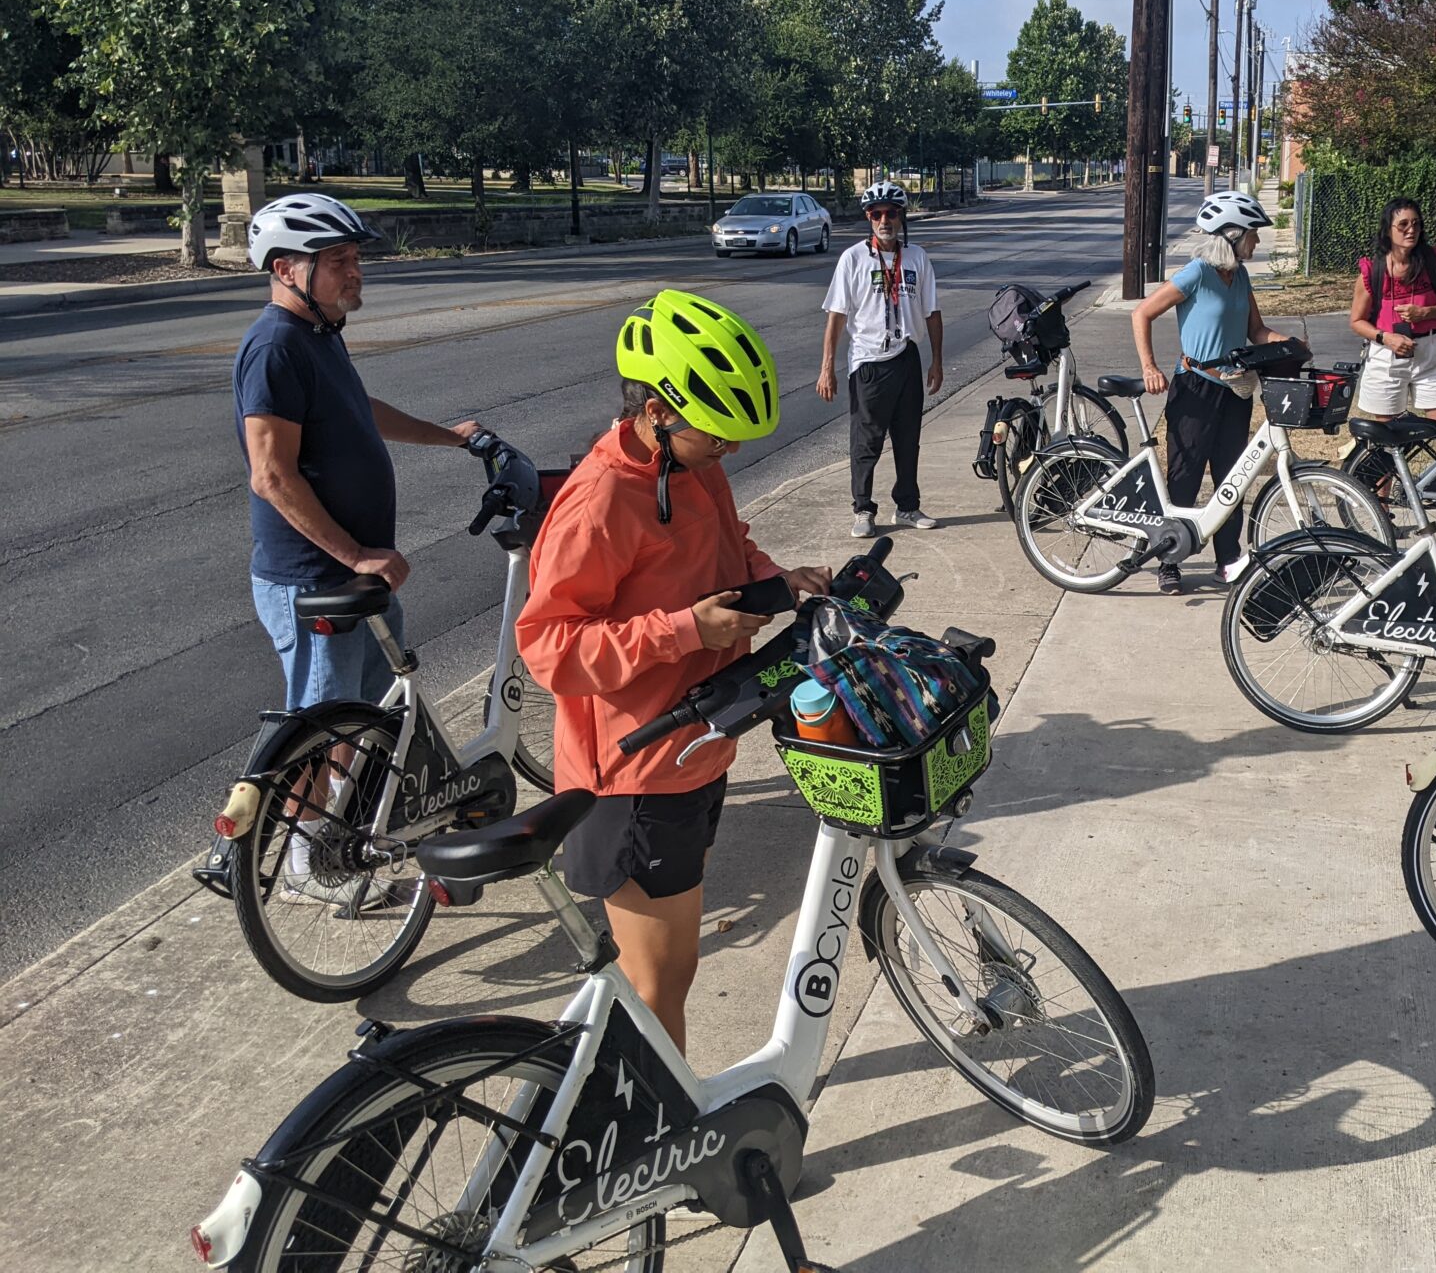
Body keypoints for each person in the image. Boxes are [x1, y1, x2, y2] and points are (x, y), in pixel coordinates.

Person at [517, 290, 831, 1054]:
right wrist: (685, 630)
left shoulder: (689, 468)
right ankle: (657, 1140)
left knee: (670, 971)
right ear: (658, 411)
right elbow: (549, 646)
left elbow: (726, 541)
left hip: (696, 745)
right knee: (657, 986)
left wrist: (773, 578)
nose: (728, 452)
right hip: (634, 772)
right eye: (716, 437)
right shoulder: (601, 501)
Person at [233, 194, 480, 898]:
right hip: (315, 579)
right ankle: (307, 869)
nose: (354, 273)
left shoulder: (318, 333)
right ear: (286, 269)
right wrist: (354, 556)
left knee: (359, 718)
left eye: (355, 259)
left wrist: (445, 435)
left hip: (354, 576)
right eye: (337, 261)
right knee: (316, 732)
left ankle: (339, 833)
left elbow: (356, 411)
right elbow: (271, 475)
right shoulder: (275, 347)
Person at [1131, 188, 1295, 594]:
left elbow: (1256, 331)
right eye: (1252, 234)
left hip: (1234, 390)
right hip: (1195, 388)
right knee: (1184, 479)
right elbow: (1143, 312)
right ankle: (1169, 560)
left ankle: (1227, 560)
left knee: (1231, 479)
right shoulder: (1197, 273)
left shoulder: (1238, 276)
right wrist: (1149, 367)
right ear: (1232, 235)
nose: (1256, 241)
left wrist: (1289, 344)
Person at [817, 180, 944, 538]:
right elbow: (837, 316)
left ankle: (907, 506)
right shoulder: (853, 259)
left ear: (902, 217)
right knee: (866, 440)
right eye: (876, 214)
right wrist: (828, 368)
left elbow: (932, 311)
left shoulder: (917, 257)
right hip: (869, 361)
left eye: (891, 214)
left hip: (906, 355)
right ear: (868, 218)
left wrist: (936, 361)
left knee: (908, 438)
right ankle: (863, 509)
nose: (884, 220)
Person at [1349, 197, 1436, 421]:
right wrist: (1386, 338)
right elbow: (1356, 321)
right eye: (1403, 225)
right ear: (1388, 230)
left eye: (1416, 224)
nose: (1411, 230)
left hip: (1431, 354)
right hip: (1387, 355)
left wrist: (1427, 312)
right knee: (1389, 436)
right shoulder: (1373, 270)